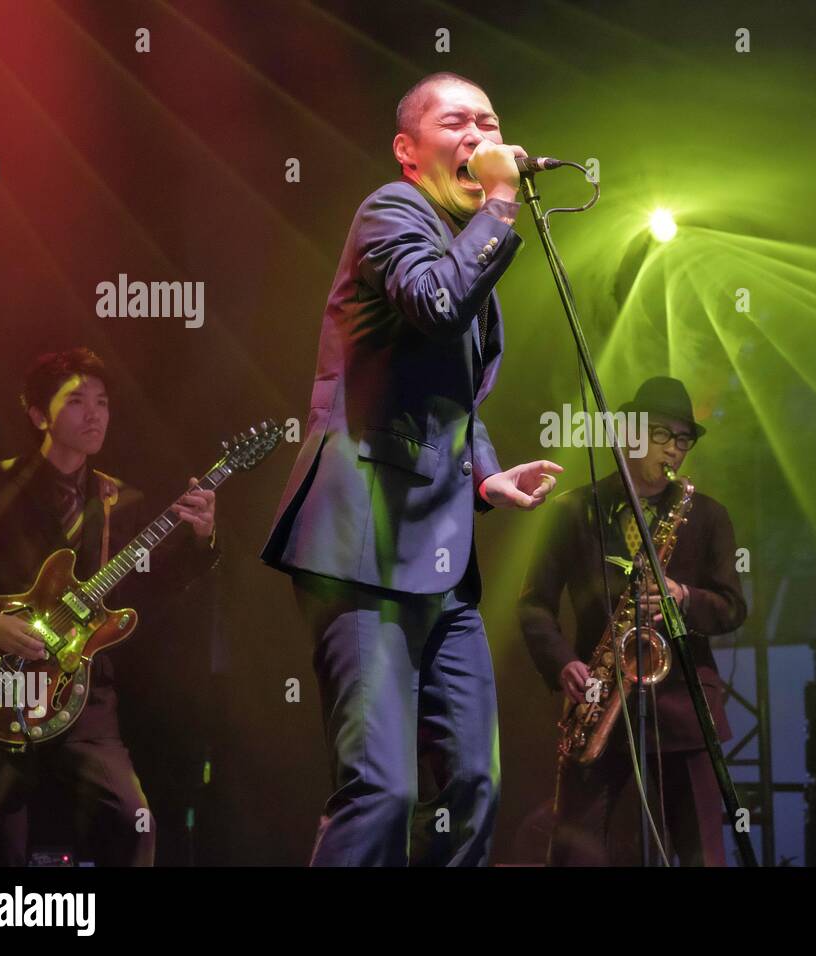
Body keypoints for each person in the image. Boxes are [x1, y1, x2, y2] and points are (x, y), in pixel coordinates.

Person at [261, 72, 561, 866]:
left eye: (490, 122)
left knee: (475, 784)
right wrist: (499, 206)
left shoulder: (468, 252)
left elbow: (449, 398)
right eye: (457, 121)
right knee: (383, 790)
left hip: (442, 556)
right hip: (361, 545)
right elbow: (433, 302)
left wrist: (485, 474)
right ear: (408, 150)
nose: (480, 136)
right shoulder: (388, 212)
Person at [0, 347, 217, 865]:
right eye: (76, 401)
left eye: (103, 402)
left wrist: (199, 540)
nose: (94, 413)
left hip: (82, 694)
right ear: (38, 415)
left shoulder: (122, 501)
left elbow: (145, 590)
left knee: (134, 821)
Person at [520, 377, 745, 866]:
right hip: (597, 702)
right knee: (575, 853)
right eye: (664, 434)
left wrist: (682, 596)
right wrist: (562, 664)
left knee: (702, 854)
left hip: (685, 708)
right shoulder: (573, 511)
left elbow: (731, 607)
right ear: (629, 433)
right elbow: (534, 603)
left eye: (683, 440)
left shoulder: (707, 515)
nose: (675, 450)